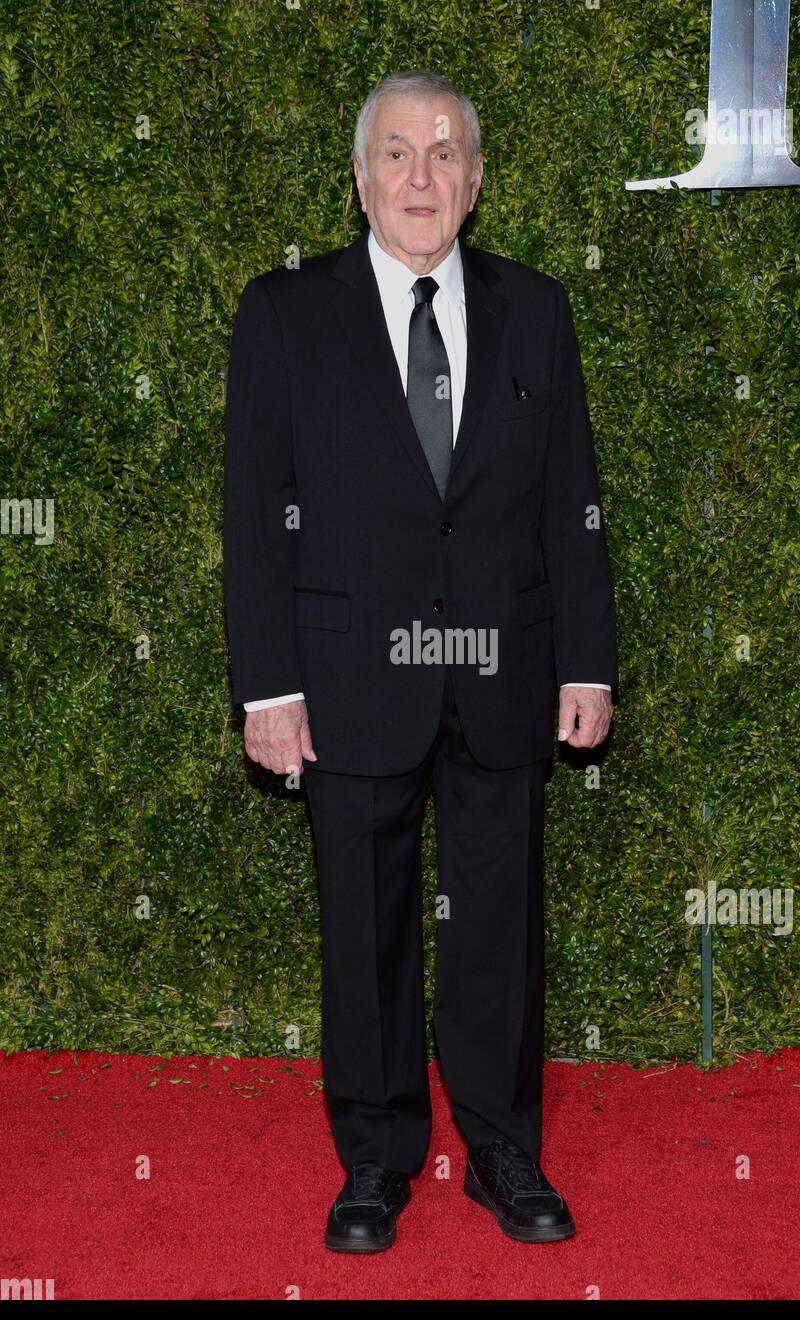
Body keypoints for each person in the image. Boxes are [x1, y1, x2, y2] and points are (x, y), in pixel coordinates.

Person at [223, 69, 617, 1253]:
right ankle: (376, 1161)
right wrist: (269, 686)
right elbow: (255, 511)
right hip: (347, 681)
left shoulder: (537, 311)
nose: (422, 176)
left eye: (446, 153)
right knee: (367, 924)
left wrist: (587, 664)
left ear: (479, 180)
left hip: (504, 671)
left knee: (499, 922)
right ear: (359, 176)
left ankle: (504, 1152)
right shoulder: (286, 313)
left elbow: (571, 502)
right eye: (397, 152)